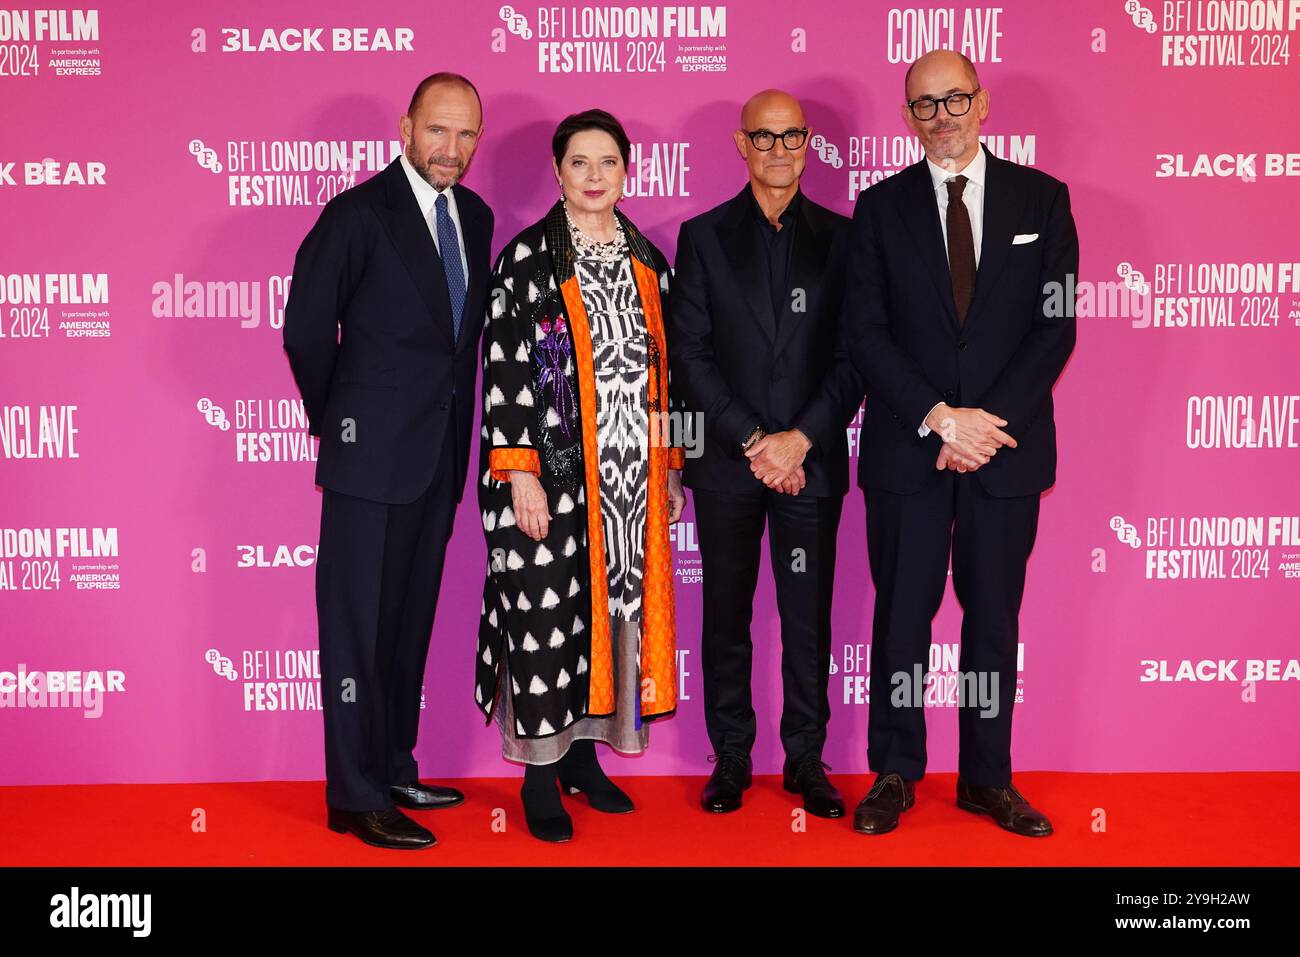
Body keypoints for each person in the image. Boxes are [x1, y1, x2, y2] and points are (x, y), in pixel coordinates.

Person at [842, 49, 1078, 836]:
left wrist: (982, 426)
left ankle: (986, 778)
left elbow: (1054, 326)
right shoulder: (878, 210)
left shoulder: (1043, 200)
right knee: (902, 614)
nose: (940, 116)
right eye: (923, 105)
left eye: (954, 100)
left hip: (1004, 452)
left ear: (982, 104)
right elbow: (866, 333)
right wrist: (941, 417)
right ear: (907, 118)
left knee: (992, 619)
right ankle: (894, 772)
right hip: (909, 448)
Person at [283, 72, 494, 850]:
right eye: (438, 130)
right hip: (366, 465)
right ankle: (354, 793)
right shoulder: (355, 214)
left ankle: (395, 765)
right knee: (356, 633)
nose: (452, 149)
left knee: (406, 626)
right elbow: (307, 331)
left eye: (467, 134)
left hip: (436, 464)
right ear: (406, 127)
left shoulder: (474, 215)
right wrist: (343, 423)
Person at [474, 109, 686, 843]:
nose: (595, 177)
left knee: (613, 620)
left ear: (628, 170)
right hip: (552, 477)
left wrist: (668, 467)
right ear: (557, 170)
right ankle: (539, 773)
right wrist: (519, 475)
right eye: (579, 163)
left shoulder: (649, 260)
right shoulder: (527, 260)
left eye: (608, 163)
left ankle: (585, 760)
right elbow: (503, 371)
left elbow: (670, 375)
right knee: (543, 621)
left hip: (627, 479)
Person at [669, 90, 859, 818]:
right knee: (726, 613)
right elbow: (690, 353)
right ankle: (733, 757)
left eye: (791, 138)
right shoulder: (705, 237)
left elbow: (853, 354)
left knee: (809, 616)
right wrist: (755, 439)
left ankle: (806, 757)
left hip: (810, 462)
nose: (779, 151)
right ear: (741, 145)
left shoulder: (845, 241)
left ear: (808, 144)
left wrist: (800, 438)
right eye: (764, 138)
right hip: (727, 463)